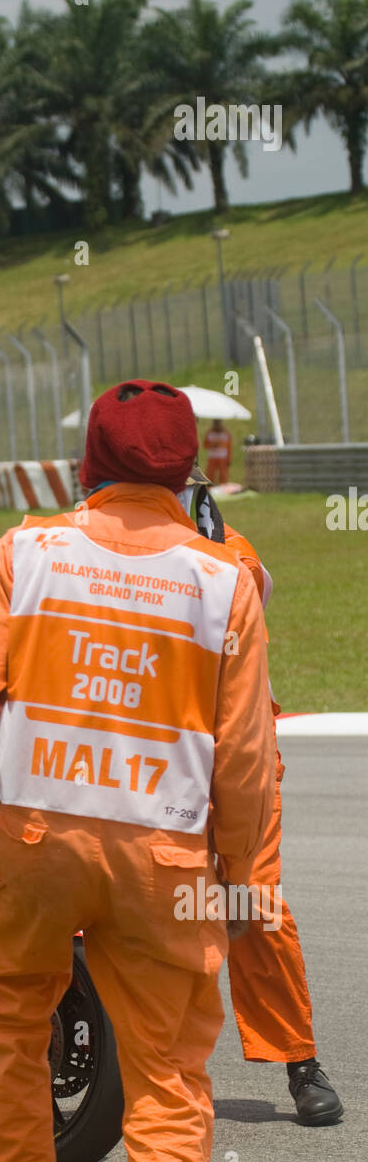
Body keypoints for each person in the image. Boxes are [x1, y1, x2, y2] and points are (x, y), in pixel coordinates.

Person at [0, 381, 276, 1162]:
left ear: (88, 462)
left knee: (7, 1022)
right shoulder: (224, 579)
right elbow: (244, 756)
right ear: (187, 469)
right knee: (167, 1059)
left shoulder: (27, 552)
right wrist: (235, 876)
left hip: (37, 839)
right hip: (166, 856)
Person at [179, 481, 343, 1125]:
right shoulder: (97, 548)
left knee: (254, 903)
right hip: (154, 768)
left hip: (242, 762)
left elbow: (256, 585)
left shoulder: (233, 551)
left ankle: (299, 1059)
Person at [203, 419, 232, 485]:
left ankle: (223, 487)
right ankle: (209, 488)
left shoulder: (226, 433)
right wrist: (213, 445)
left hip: (223, 457)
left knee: (223, 474)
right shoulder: (210, 432)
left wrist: (229, 458)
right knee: (210, 473)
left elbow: (229, 447)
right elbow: (205, 445)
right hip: (212, 457)